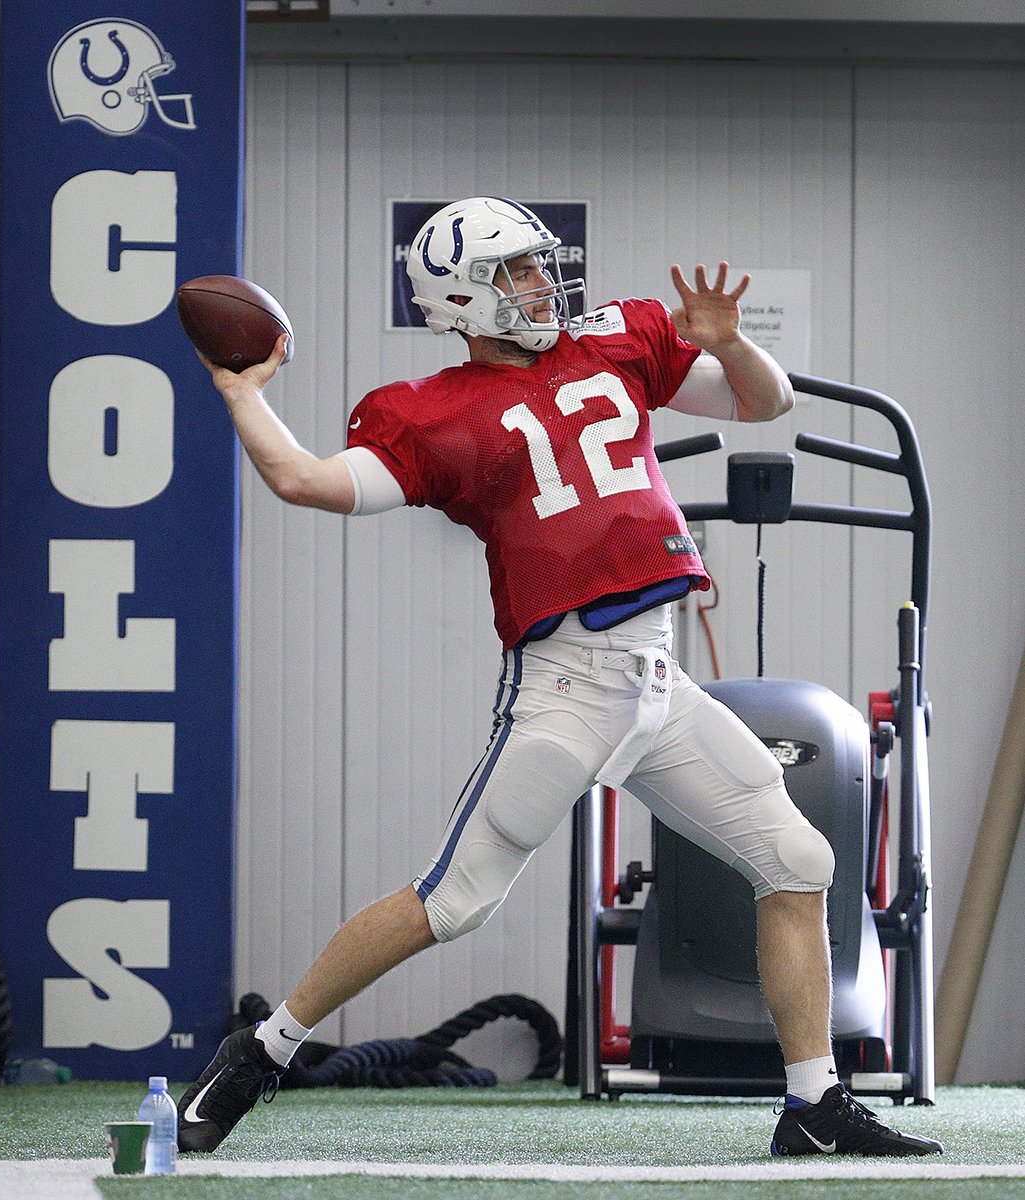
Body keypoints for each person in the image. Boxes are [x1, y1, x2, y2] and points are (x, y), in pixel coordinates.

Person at [176, 197, 942, 1158]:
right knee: (451, 903)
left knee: (798, 864)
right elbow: (308, 482)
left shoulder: (615, 341)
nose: (543, 285)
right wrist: (245, 393)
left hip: (660, 686)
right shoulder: (431, 412)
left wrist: (733, 343)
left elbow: (763, 402)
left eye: (542, 266)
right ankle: (261, 1051)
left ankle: (813, 1104)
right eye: (516, 273)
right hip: (567, 688)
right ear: (460, 299)